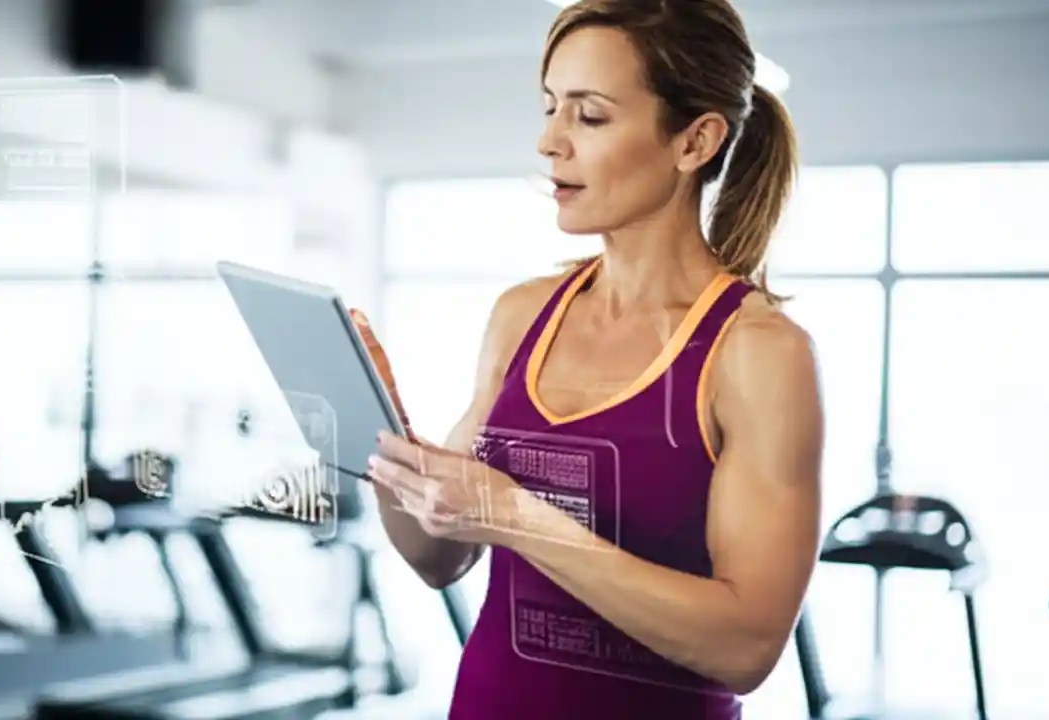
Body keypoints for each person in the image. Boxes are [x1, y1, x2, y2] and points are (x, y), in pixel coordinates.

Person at [352, 0, 823, 716]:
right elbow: (438, 558)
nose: (549, 142)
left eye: (590, 116)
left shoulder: (758, 352)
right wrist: (378, 440)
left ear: (694, 141)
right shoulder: (521, 316)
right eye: (550, 108)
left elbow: (744, 648)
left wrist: (514, 515)